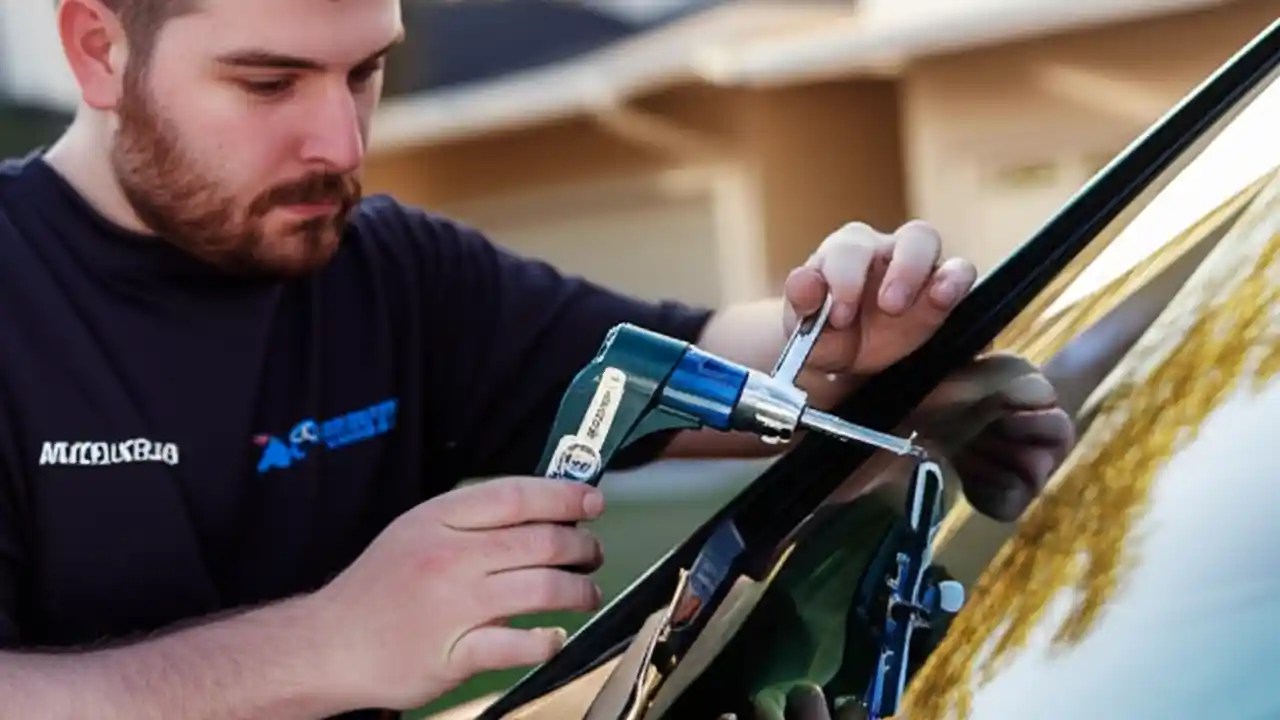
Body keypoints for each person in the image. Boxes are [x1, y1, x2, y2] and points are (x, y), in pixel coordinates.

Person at [0, 1, 1076, 717]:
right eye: (269, 84)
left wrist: (853, 333)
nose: (340, 141)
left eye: (365, 72)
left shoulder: (398, 274)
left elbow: (697, 364)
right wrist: (329, 641)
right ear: (98, 48)